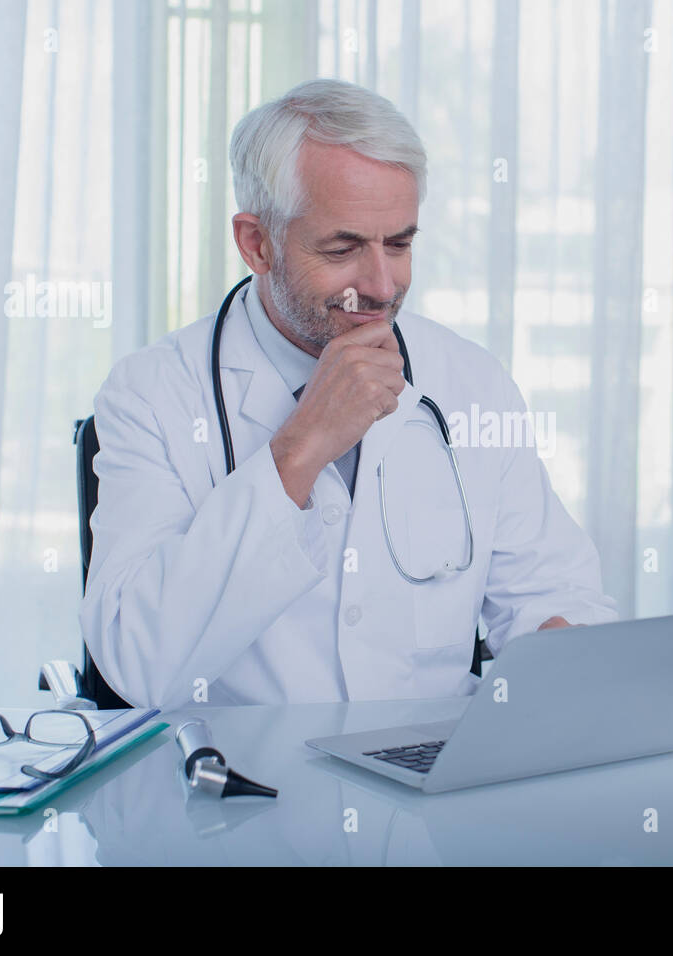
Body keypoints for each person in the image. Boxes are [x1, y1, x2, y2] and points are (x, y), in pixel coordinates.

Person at [79, 78, 617, 710]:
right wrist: (301, 450)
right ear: (257, 243)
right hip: (241, 787)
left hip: (431, 777)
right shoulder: (151, 395)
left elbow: (552, 595)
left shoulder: (473, 385)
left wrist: (561, 649)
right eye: (343, 248)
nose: (382, 284)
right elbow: (137, 662)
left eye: (400, 243)